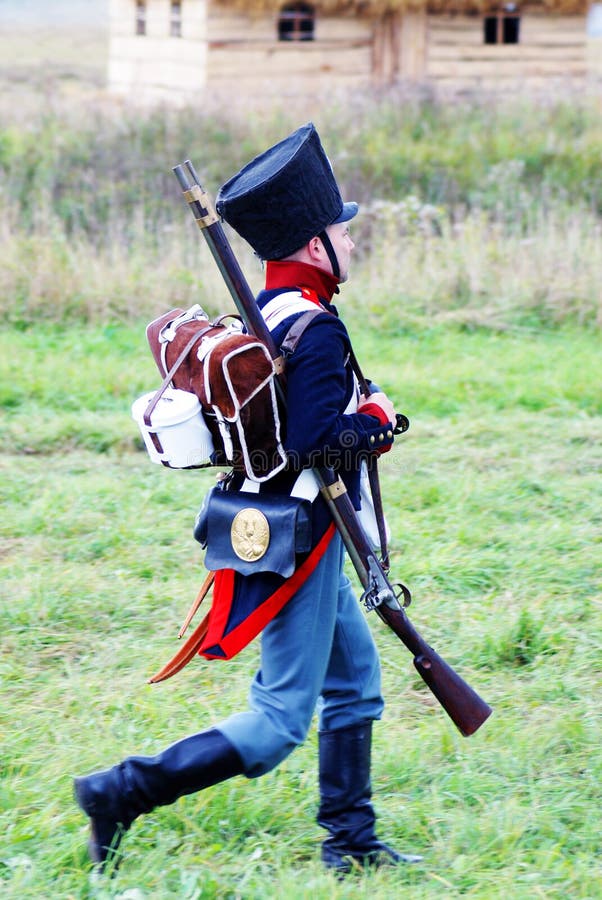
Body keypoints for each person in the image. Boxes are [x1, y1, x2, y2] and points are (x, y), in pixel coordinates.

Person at [74, 123, 422, 874]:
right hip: (304, 531)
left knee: (356, 684)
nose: (352, 244)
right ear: (310, 247)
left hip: (277, 521)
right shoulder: (317, 328)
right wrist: (375, 422)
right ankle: (119, 791)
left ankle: (350, 844)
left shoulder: (266, 315)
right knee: (276, 723)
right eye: (341, 232)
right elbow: (313, 442)